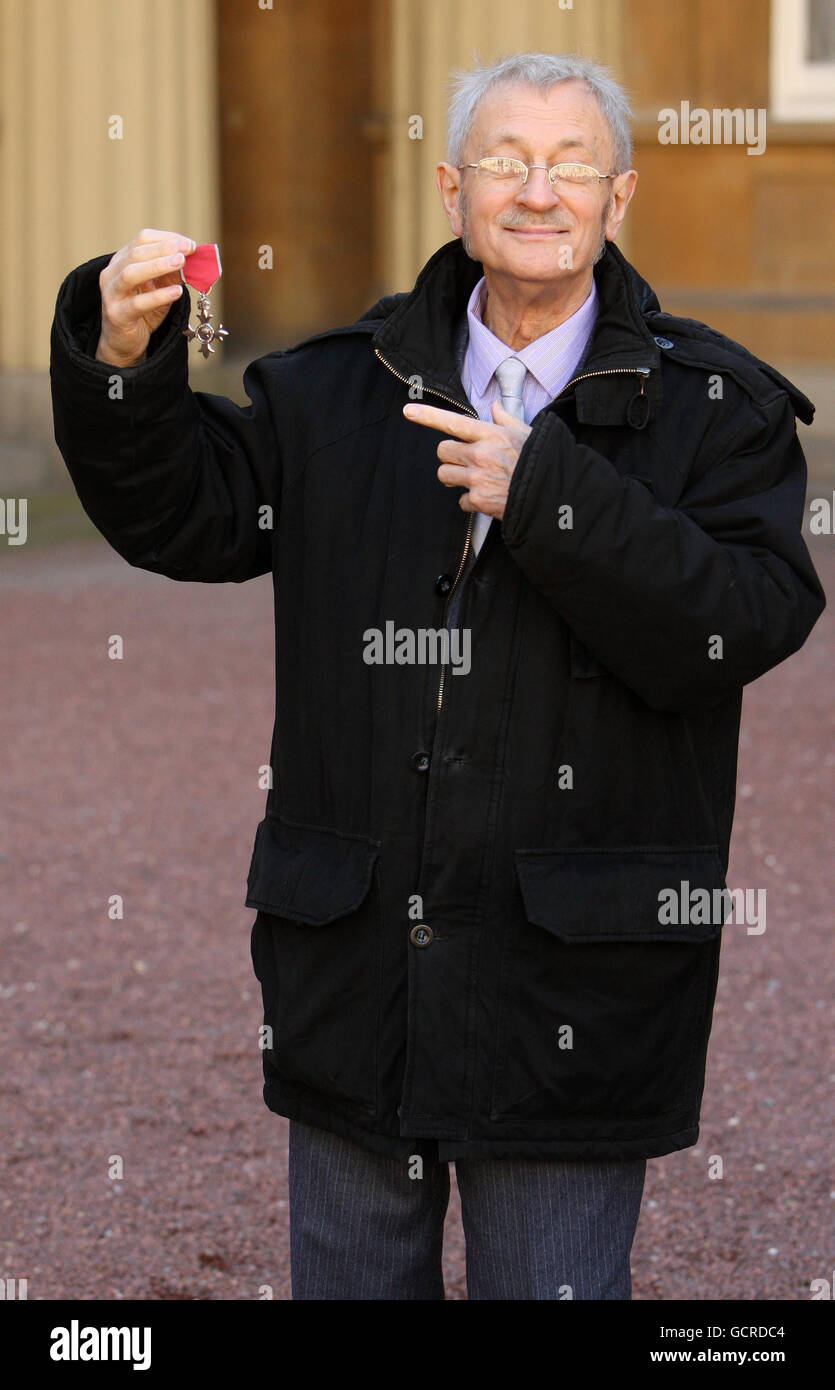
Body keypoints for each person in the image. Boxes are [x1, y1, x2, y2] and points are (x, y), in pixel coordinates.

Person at [50, 51, 825, 1300]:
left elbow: (744, 619)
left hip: (571, 981)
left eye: (571, 162)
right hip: (358, 965)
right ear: (452, 188)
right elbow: (188, 520)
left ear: (618, 198)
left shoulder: (715, 409)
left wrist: (551, 499)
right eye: (506, 161)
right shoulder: (329, 390)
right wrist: (123, 359)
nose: (538, 189)